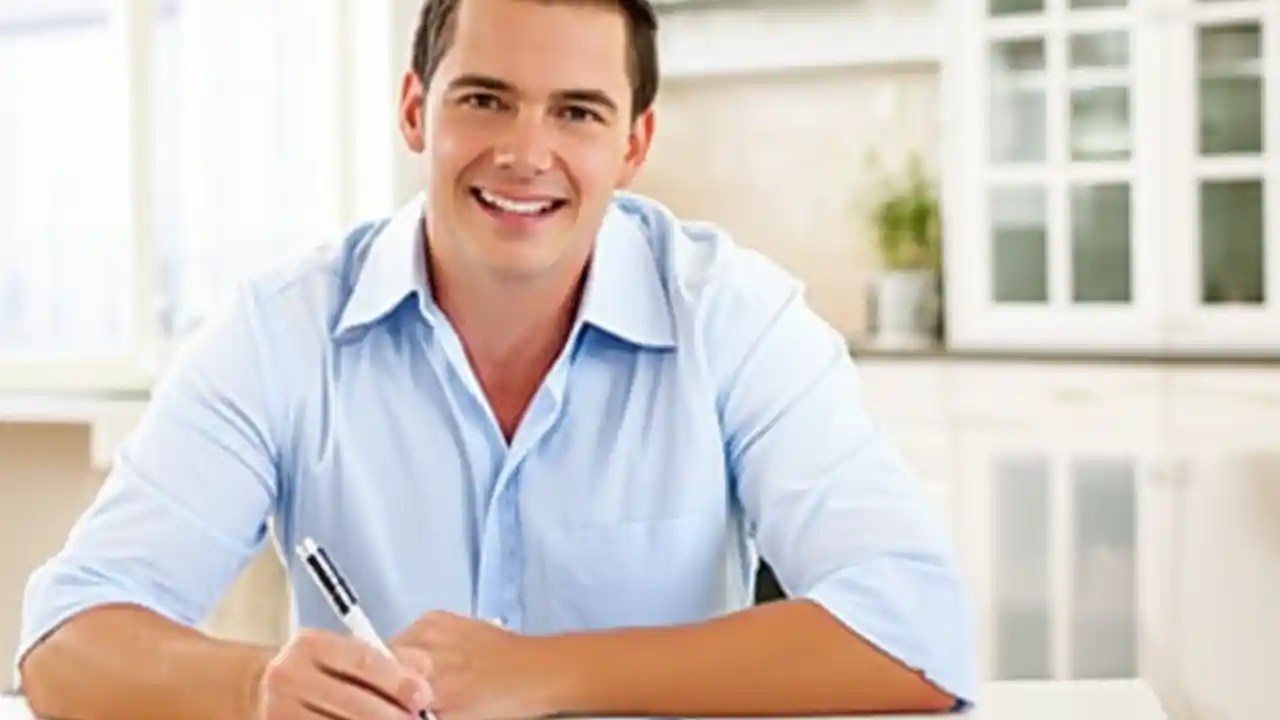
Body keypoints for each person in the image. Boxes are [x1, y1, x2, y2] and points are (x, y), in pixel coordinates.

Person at [15, 0, 977, 717]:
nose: (525, 153)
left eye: (577, 113)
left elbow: (921, 633)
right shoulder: (281, 331)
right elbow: (64, 643)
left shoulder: (738, 320)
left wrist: (544, 671)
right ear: (413, 111)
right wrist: (258, 686)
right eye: (486, 99)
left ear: (634, 142)